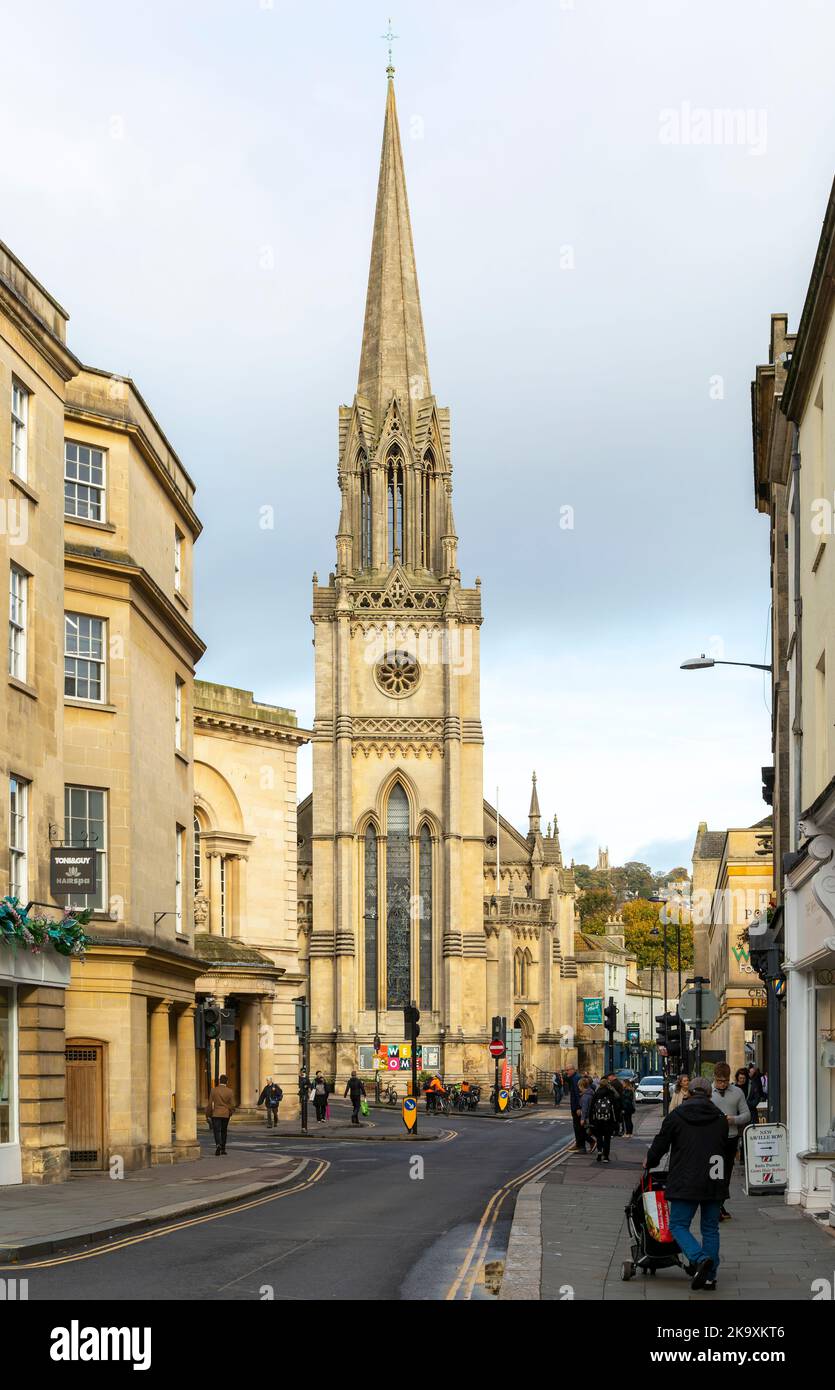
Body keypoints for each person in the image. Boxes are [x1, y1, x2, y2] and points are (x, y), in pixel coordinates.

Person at [644, 1074, 728, 1291]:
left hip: (686, 1179)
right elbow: (724, 1150)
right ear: (709, 1094)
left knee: (678, 1225)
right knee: (710, 1229)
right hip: (714, 1179)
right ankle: (709, 1277)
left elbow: (661, 1143)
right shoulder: (720, 1117)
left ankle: (699, 1258)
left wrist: (650, 1161)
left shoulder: (677, 1116)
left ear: (689, 1093)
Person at [711, 1062, 750, 1219]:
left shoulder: (737, 1092)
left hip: (731, 1139)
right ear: (714, 1078)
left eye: (725, 1081)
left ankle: (720, 1205)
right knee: (715, 1173)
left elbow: (747, 1115)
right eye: (719, 1081)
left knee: (726, 1173)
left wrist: (732, 1119)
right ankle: (715, 1206)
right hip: (712, 1139)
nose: (722, 1084)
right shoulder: (708, 1092)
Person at [589, 1076, 618, 1162]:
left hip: (597, 1120)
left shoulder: (596, 1093)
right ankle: (606, 1156)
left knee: (599, 1137)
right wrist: (616, 1120)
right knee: (607, 1138)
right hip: (608, 1120)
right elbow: (615, 1107)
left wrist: (591, 1120)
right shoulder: (611, 1093)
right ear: (608, 1084)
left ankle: (599, 1152)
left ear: (600, 1085)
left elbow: (592, 1108)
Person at [206, 1073, 235, 1155]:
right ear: (227, 1082)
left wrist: (208, 1114)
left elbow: (210, 1103)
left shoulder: (213, 1090)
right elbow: (232, 1104)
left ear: (219, 1081)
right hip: (225, 1114)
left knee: (216, 1131)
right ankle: (223, 1148)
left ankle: (218, 1144)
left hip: (216, 1113)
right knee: (224, 1131)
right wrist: (231, 1112)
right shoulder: (230, 1091)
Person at [579, 1077, 597, 1152]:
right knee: (588, 1132)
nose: (579, 1088)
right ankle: (593, 1143)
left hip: (587, 1117)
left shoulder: (586, 1096)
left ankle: (592, 1142)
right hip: (591, 1116)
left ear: (582, 1086)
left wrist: (582, 1119)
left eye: (579, 1086)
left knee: (582, 1132)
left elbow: (585, 1109)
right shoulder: (590, 1092)